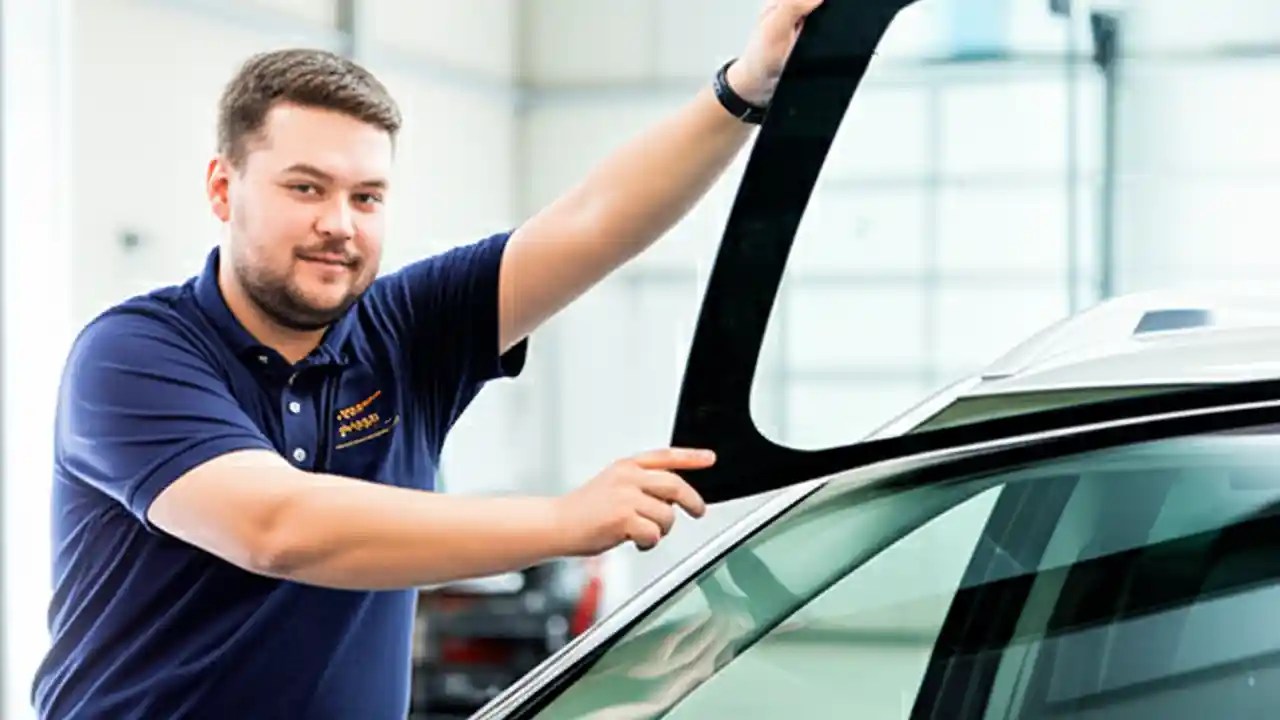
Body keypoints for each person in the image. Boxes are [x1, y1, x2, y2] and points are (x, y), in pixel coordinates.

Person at [31, 1, 824, 717]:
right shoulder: (132, 355)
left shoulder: (406, 332)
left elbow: (592, 220)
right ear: (222, 188)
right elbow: (277, 527)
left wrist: (746, 86)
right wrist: (559, 521)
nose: (339, 223)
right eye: (305, 188)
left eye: (366, 196)